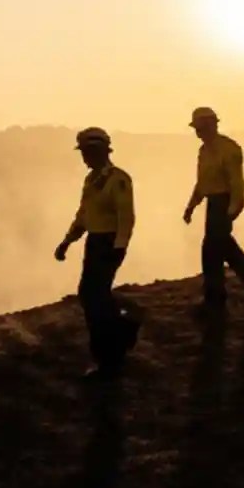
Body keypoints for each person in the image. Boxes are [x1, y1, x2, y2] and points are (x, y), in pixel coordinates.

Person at [54, 127, 141, 380]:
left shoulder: (118, 179)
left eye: (89, 152)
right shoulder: (92, 181)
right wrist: (67, 241)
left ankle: (108, 356)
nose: (85, 158)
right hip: (94, 241)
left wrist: (120, 247)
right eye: (84, 153)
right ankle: (121, 335)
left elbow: (126, 217)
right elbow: (83, 216)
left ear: (102, 151)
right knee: (93, 296)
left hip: (109, 243)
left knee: (94, 296)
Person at [183, 107, 244, 312]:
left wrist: (234, 208)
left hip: (224, 202)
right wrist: (191, 206)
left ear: (211, 126)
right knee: (223, 247)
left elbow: (237, 183)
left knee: (211, 250)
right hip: (213, 203)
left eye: (201, 128)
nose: (199, 133)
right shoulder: (204, 151)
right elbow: (202, 183)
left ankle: (215, 298)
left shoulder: (229, 149)